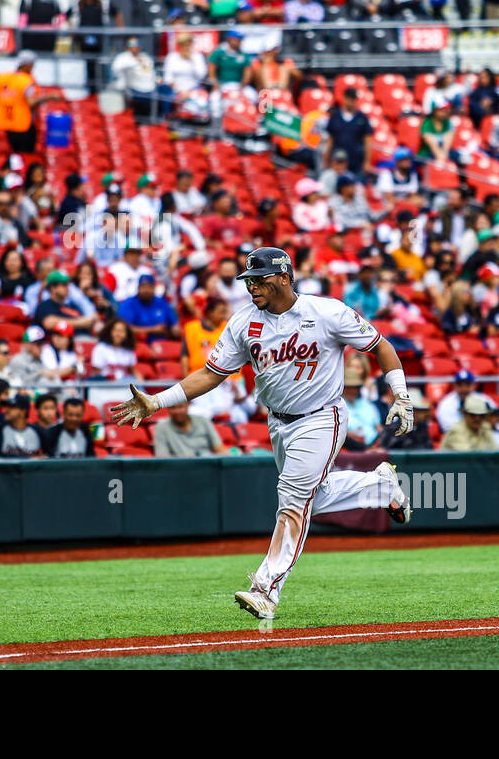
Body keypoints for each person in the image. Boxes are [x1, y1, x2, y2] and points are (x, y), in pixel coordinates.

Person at [112, 246, 412, 621]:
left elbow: (381, 345)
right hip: (279, 422)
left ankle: (266, 589)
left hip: (322, 416)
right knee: (311, 499)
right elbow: (210, 374)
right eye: (249, 280)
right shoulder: (244, 322)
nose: (252, 286)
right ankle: (379, 488)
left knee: (292, 498)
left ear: (284, 277)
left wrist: (400, 395)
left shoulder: (326, 311)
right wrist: (157, 402)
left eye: (260, 279)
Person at [151, 402, 224, 457]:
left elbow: (218, 447)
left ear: (188, 406)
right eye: (173, 407)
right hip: (180, 470)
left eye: (180, 407)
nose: (177, 411)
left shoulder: (203, 421)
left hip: (208, 466)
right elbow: (162, 457)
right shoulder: (161, 427)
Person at [0, 393, 43, 458]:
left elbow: (47, 456)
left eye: (12, 407)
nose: (7, 410)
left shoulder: (38, 431)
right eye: (7, 406)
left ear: (23, 411)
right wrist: (28, 458)